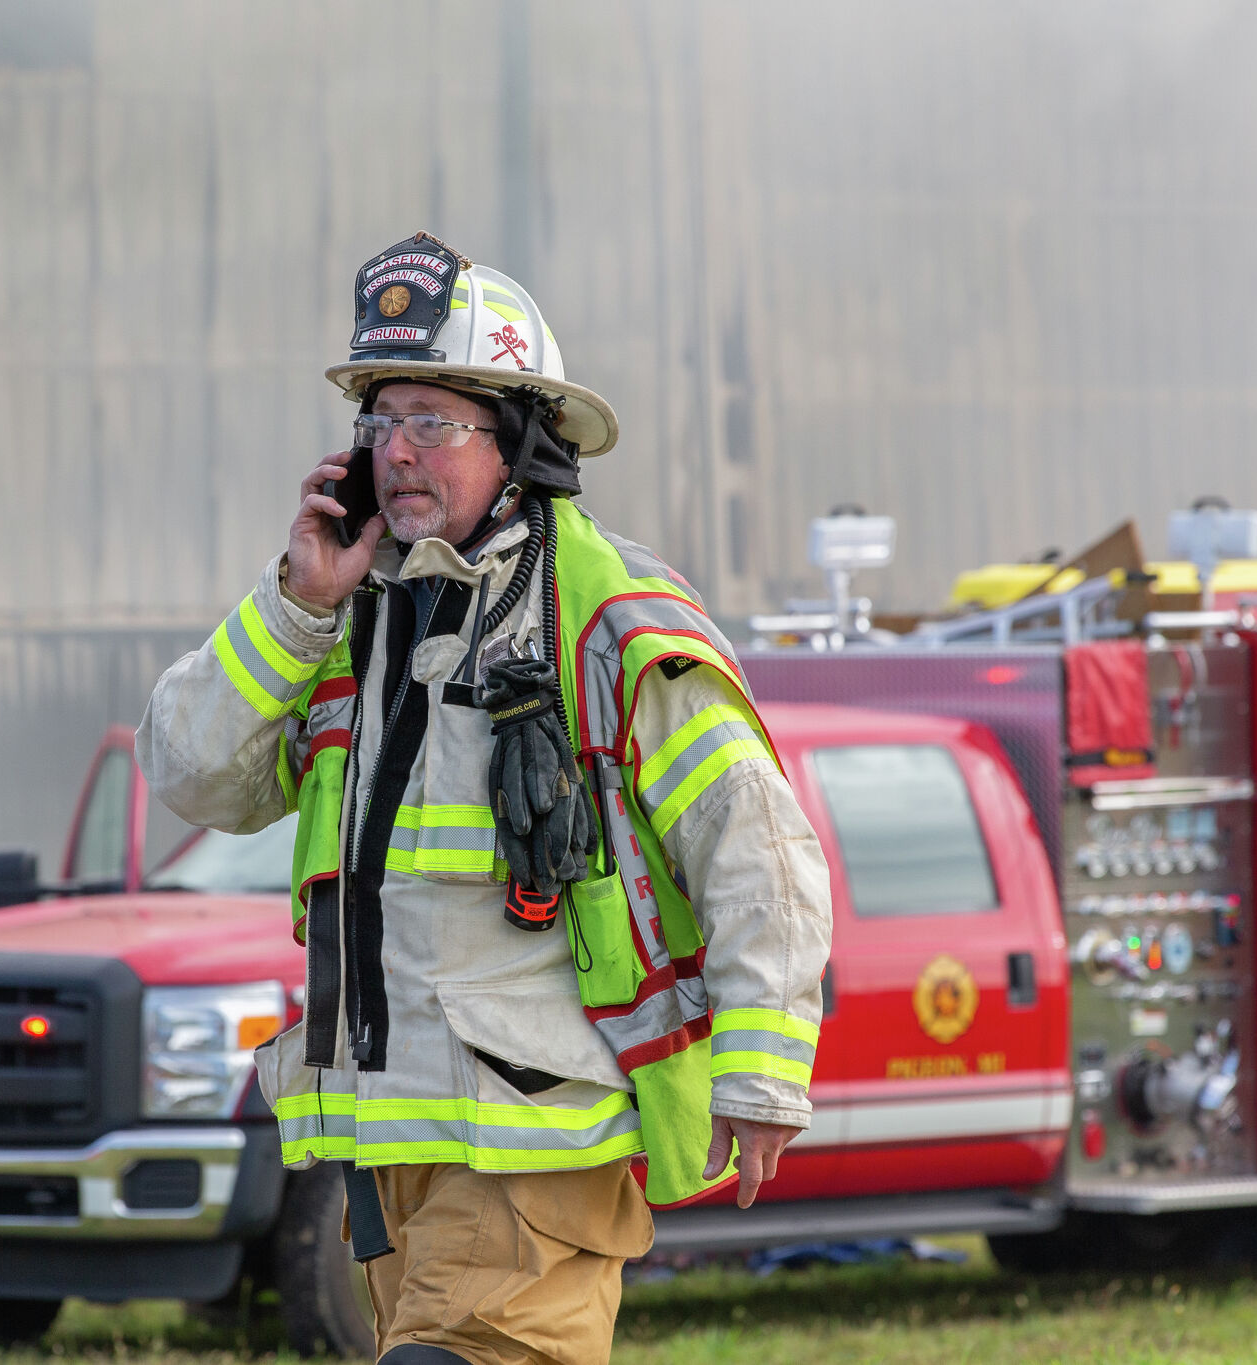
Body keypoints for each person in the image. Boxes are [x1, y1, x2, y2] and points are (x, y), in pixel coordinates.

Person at [137, 232, 831, 1365]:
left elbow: (757, 849)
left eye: (429, 423)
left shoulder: (606, 613)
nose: (394, 453)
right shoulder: (342, 616)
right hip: (382, 1148)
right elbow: (187, 774)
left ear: (515, 440)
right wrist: (294, 607)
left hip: (532, 1150)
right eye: (377, 422)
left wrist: (760, 1072)